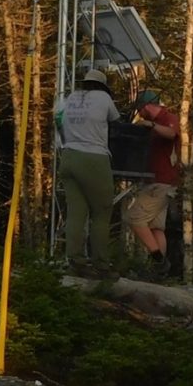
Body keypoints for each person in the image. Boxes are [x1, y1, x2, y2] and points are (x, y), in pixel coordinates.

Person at [53, 67, 118, 271]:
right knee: (101, 211)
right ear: (102, 86)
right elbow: (116, 122)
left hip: (69, 156)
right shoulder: (104, 99)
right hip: (93, 157)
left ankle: (75, 260)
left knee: (76, 213)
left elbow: (60, 121)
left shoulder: (72, 97)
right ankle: (100, 263)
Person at [123, 88, 180, 274]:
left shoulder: (167, 118)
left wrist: (150, 125)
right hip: (155, 180)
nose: (139, 113)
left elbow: (172, 134)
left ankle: (158, 260)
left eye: (140, 109)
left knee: (134, 218)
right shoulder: (154, 123)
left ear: (146, 106)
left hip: (161, 182)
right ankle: (159, 272)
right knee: (156, 226)